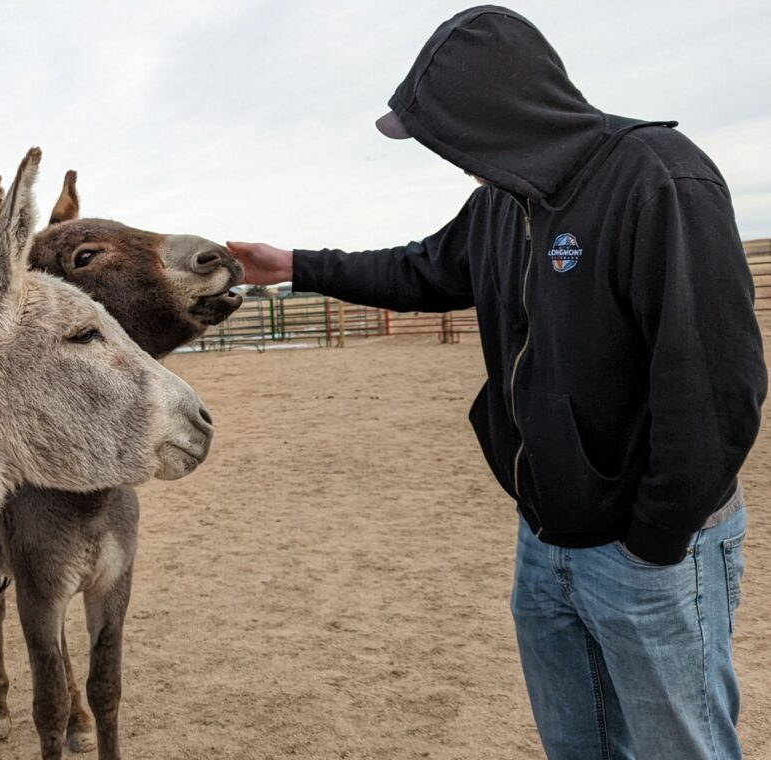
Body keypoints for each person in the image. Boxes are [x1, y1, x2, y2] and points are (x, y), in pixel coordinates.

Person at [228, 6, 766, 759]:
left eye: (447, 134)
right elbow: (422, 270)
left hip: (650, 552)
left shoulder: (658, 179)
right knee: (578, 746)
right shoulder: (501, 203)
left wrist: (653, 539)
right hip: (545, 538)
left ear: (493, 113)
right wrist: (295, 266)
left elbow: (718, 383)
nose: (450, 158)